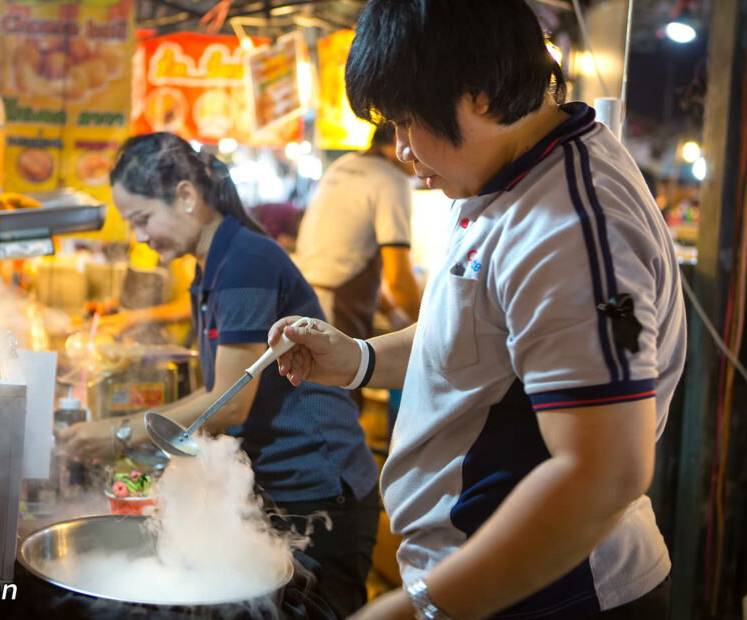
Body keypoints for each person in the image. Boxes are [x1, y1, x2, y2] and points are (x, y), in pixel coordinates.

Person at [269, 1, 685, 618]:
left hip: (552, 594)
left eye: (409, 121)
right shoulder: (507, 176)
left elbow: (604, 474)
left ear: (482, 94)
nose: (403, 149)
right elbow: (477, 337)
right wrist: (358, 359)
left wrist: (421, 609)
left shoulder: (566, 224)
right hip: (484, 581)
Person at [59, 132, 380, 618]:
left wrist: (120, 433)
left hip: (317, 491)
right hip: (276, 486)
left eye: (142, 219)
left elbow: (229, 401)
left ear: (186, 196)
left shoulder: (245, 260)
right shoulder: (212, 265)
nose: (141, 236)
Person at [295, 123, 419, 342]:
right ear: (398, 141)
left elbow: (349, 261)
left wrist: (393, 315)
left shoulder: (342, 165)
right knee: (338, 375)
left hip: (303, 299)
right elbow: (398, 278)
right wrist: (425, 329)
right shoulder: (393, 180)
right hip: (336, 311)